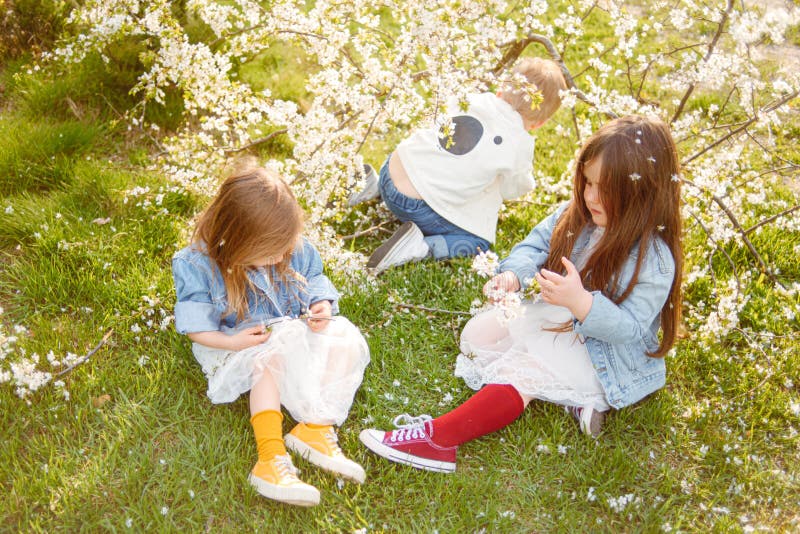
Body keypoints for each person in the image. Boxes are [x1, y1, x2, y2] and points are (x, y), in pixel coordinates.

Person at [359, 115, 683, 472]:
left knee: (523, 369)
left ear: (642, 192)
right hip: (564, 320)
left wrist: (582, 302)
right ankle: (574, 399)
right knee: (476, 338)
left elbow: (632, 329)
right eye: (587, 182)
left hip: (607, 354)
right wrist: (513, 275)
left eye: (605, 189)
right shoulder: (576, 214)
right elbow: (535, 245)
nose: (590, 196)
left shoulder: (653, 258)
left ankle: (439, 440)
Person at [172, 161, 370, 505]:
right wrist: (230, 342)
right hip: (241, 345)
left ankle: (316, 428)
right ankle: (270, 457)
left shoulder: (292, 246)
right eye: (273, 250)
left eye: (286, 245)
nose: (283, 254)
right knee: (270, 358)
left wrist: (320, 302)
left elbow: (314, 276)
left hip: (290, 329)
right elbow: (196, 327)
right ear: (238, 242)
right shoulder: (196, 265)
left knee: (345, 337)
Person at [349, 57, 567, 274]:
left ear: (501, 89)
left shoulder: (472, 98)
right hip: (415, 207)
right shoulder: (519, 142)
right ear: (539, 123)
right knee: (478, 242)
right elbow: (511, 190)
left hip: (392, 167)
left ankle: (373, 185)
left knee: (440, 163)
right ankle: (419, 247)